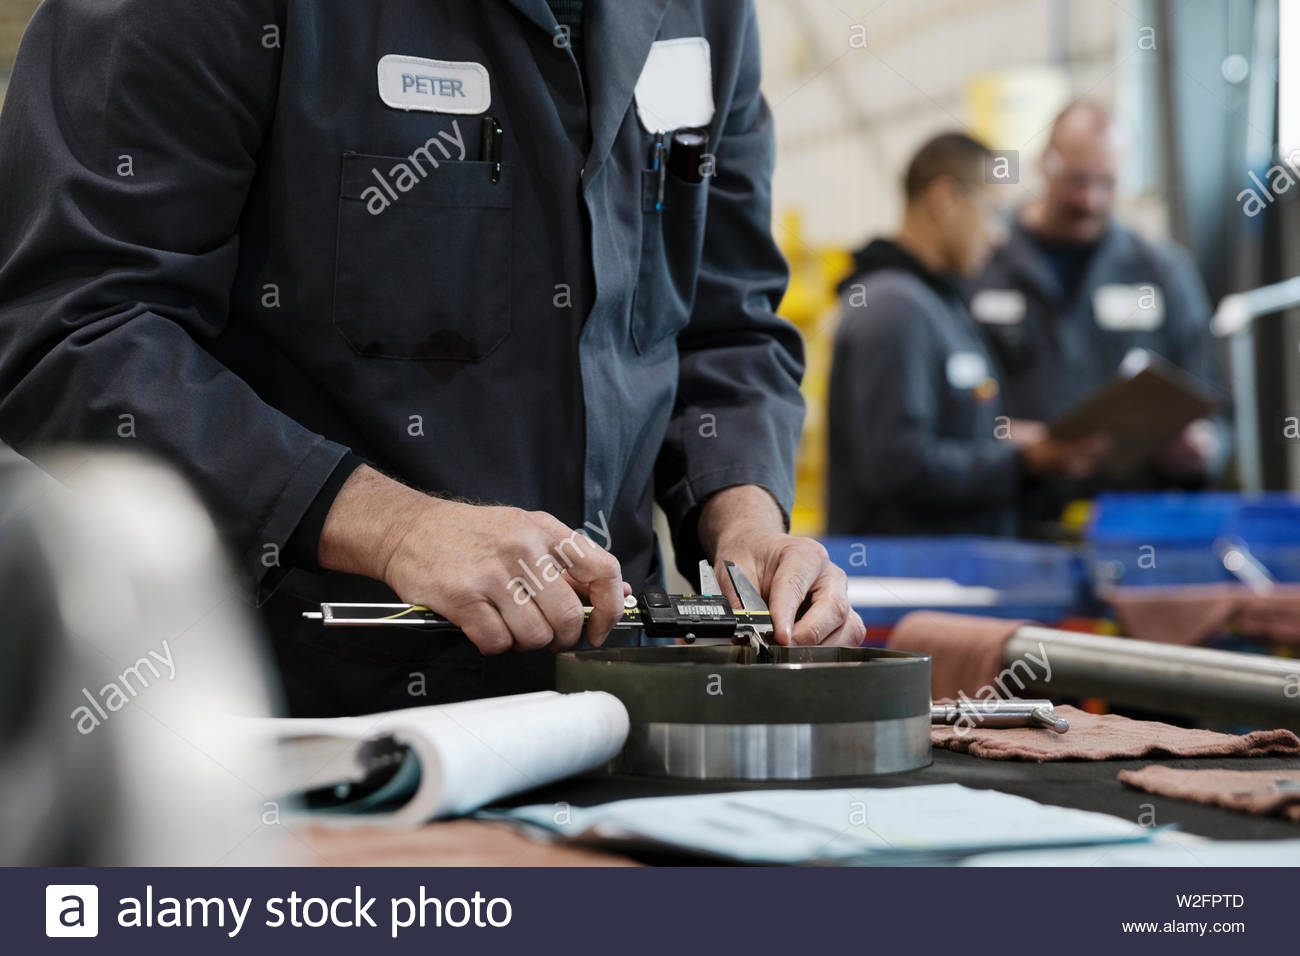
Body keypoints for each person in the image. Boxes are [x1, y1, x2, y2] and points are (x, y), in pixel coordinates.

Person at [0, 0, 864, 718]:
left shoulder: (704, 14)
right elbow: (72, 328)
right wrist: (391, 525)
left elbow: (724, 320)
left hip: (615, 713)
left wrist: (747, 525)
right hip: (291, 723)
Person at [827, 132, 1110, 537]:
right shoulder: (894, 308)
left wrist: (1004, 436)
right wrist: (1022, 460)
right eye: (991, 211)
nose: (998, 235)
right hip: (909, 577)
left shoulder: (941, 305)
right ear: (945, 199)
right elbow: (898, 466)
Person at [970, 100, 1229, 529]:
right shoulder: (982, 267)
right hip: (1011, 523)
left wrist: (1207, 445)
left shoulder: (1162, 273)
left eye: (1106, 182)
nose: (1090, 200)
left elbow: (1213, 402)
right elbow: (946, 415)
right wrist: (1003, 440)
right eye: (1076, 180)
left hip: (1133, 526)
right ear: (1044, 165)